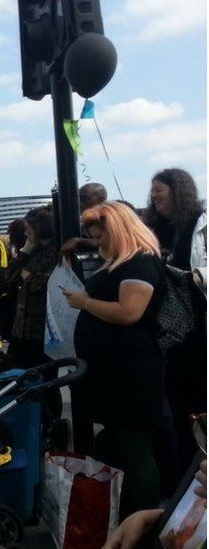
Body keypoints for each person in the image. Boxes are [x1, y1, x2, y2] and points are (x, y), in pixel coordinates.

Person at [62, 201, 165, 517]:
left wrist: (85, 302)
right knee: (119, 441)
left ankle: (145, 517)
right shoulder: (122, 262)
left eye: (102, 236)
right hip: (112, 370)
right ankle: (127, 512)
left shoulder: (140, 263)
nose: (99, 243)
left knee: (135, 446)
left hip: (131, 372)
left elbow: (129, 312)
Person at [146, 168, 208, 478]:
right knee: (178, 404)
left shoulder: (202, 223)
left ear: (178, 190)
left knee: (197, 400)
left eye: (160, 189)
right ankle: (184, 475)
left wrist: (198, 277)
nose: (154, 195)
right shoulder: (158, 227)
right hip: (172, 332)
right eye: (153, 190)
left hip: (199, 330)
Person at [6, 206, 56, 370]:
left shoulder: (56, 252)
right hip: (21, 328)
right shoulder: (32, 251)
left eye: (29, 229)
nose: (26, 233)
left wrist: (29, 278)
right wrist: (25, 252)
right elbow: (9, 277)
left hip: (43, 330)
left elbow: (48, 283)